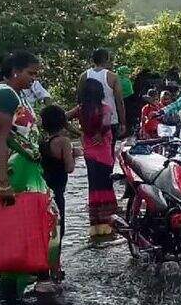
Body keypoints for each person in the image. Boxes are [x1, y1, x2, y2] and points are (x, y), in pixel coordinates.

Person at [0, 50, 61, 301]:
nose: (33, 80)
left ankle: (31, 280)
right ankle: (18, 287)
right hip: (12, 170)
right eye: (30, 74)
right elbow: (0, 140)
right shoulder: (3, 94)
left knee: (32, 223)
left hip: (24, 168)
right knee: (25, 224)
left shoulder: (12, 94)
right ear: (15, 71)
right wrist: (3, 183)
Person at [67, 79, 118, 237]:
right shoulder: (105, 109)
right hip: (103, 152)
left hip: (89, 152)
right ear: (100, 93)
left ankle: (95, 223)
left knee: (93, 185)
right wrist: (99, 134)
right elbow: (106, 125)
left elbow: (63, 118)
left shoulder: (81, 109)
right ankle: (109, 222)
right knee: (106, 184)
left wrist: (78, 133)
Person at [38, 105, 75, 272]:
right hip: (58, 191)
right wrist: (75, 154)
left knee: (43, 229)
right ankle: (55, 268)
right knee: (58, 230)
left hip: (42, 190)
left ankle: (42, 265)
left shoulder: (42, 141)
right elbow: (69, 168)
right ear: (62, 122)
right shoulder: (63, 141)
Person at [76, 48, 127, 142]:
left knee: (91, 150)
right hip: (110, 121)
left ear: (92, 60)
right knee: (109, 151)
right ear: (107, 59)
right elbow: (119, 102)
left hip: (90, 120)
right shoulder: (113, 77)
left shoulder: (84, 76)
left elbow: (79, 99)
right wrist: (123, 123)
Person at [116, 65, 140, 138]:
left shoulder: (115, 79)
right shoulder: (127, 81)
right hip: (127, 102)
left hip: (116, 102)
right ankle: (126, 132)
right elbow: (131, 93)